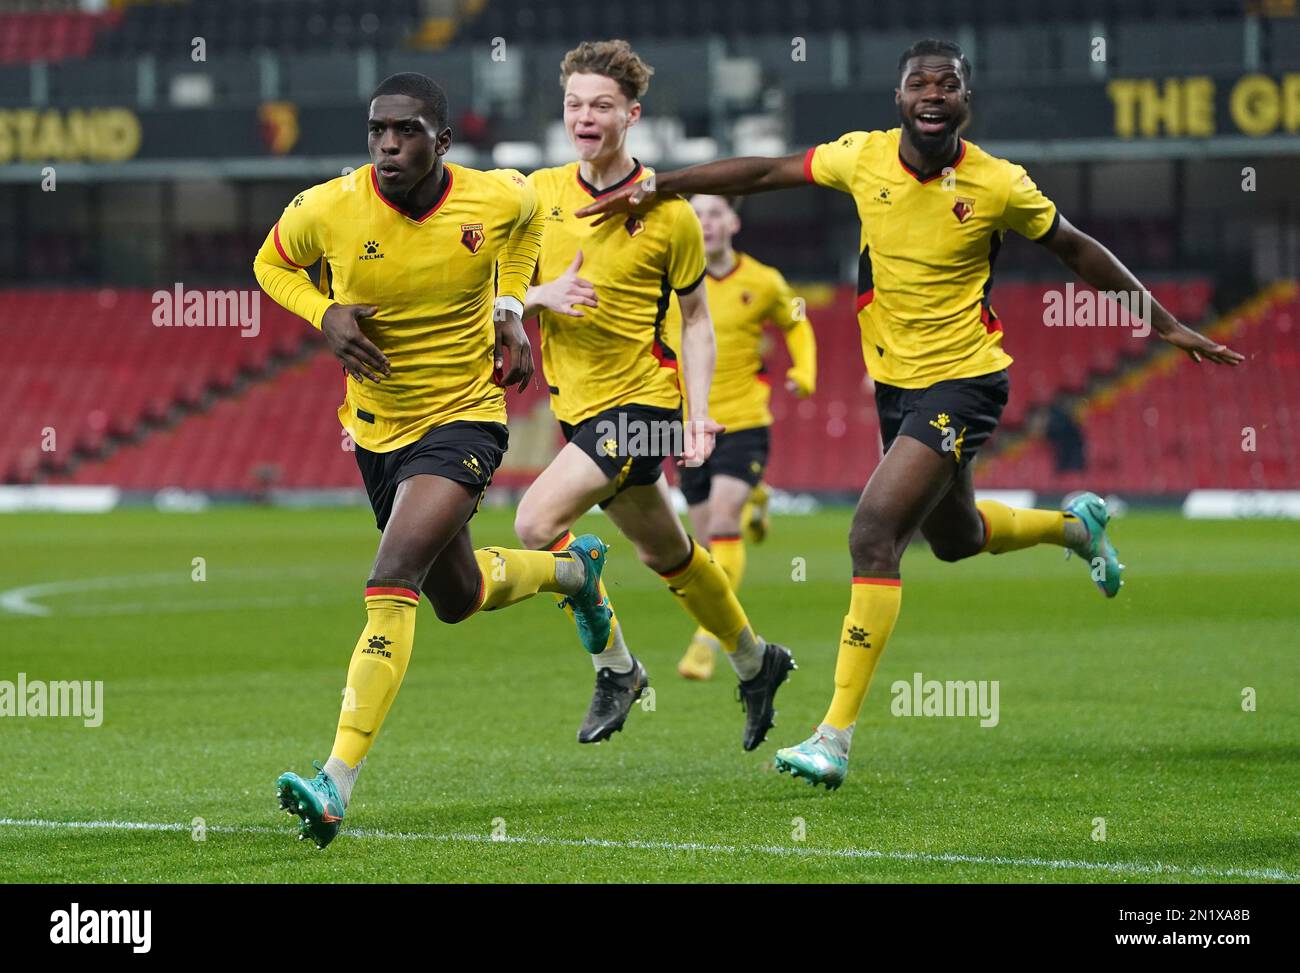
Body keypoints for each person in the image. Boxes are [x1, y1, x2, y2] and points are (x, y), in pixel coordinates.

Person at [576, 39, 1242, 789]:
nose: (932, 93)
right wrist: (662, 185)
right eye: (918, 83)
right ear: (898, 99)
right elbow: (764, 172)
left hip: (965, 382)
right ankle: (1075, 526)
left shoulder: (998, 183)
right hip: (896, 384)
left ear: (965, 99)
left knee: (873, 533)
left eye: (947, 83)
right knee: (954, 538)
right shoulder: (862, 159)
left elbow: (1075, 248)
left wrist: (1161, 322)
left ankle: (834, 736)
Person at [253, 72, 611, 848]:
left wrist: (511, 311)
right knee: (459, 594)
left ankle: (334, 782)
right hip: (377, 429)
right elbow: (268, 265)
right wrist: (325, 312)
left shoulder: (497, 197)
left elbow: (528, 227)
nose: (388, 144)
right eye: (378, 130)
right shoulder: (328, 207)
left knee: (391, 581)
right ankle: (575, 572)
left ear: (442, 142)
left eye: (407, 130)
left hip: (466, 419)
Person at [517, 40, 795, 750]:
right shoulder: (537, 194)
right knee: (667, 555)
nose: (585, 116)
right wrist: (537, 296)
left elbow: (697, 320)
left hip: (644, 407)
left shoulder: (670, 213)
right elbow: (497, 289)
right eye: (575, 103)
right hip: (577, 407)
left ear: (631, 114)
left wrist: (698, 417)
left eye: (601, 105)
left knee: (534, 522)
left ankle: (617, 666)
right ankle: (756, 661)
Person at [672, 194, 817, 680]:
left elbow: (796, 321)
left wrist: (806, 369)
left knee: (721, 520)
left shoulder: (763, 280)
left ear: (732, 222)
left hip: (744, 421)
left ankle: (706, 640)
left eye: (713, 213)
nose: (705, 223)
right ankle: (758, 498)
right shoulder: (670, 277)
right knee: (700, 546)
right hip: (689, 422)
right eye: (695, 215)